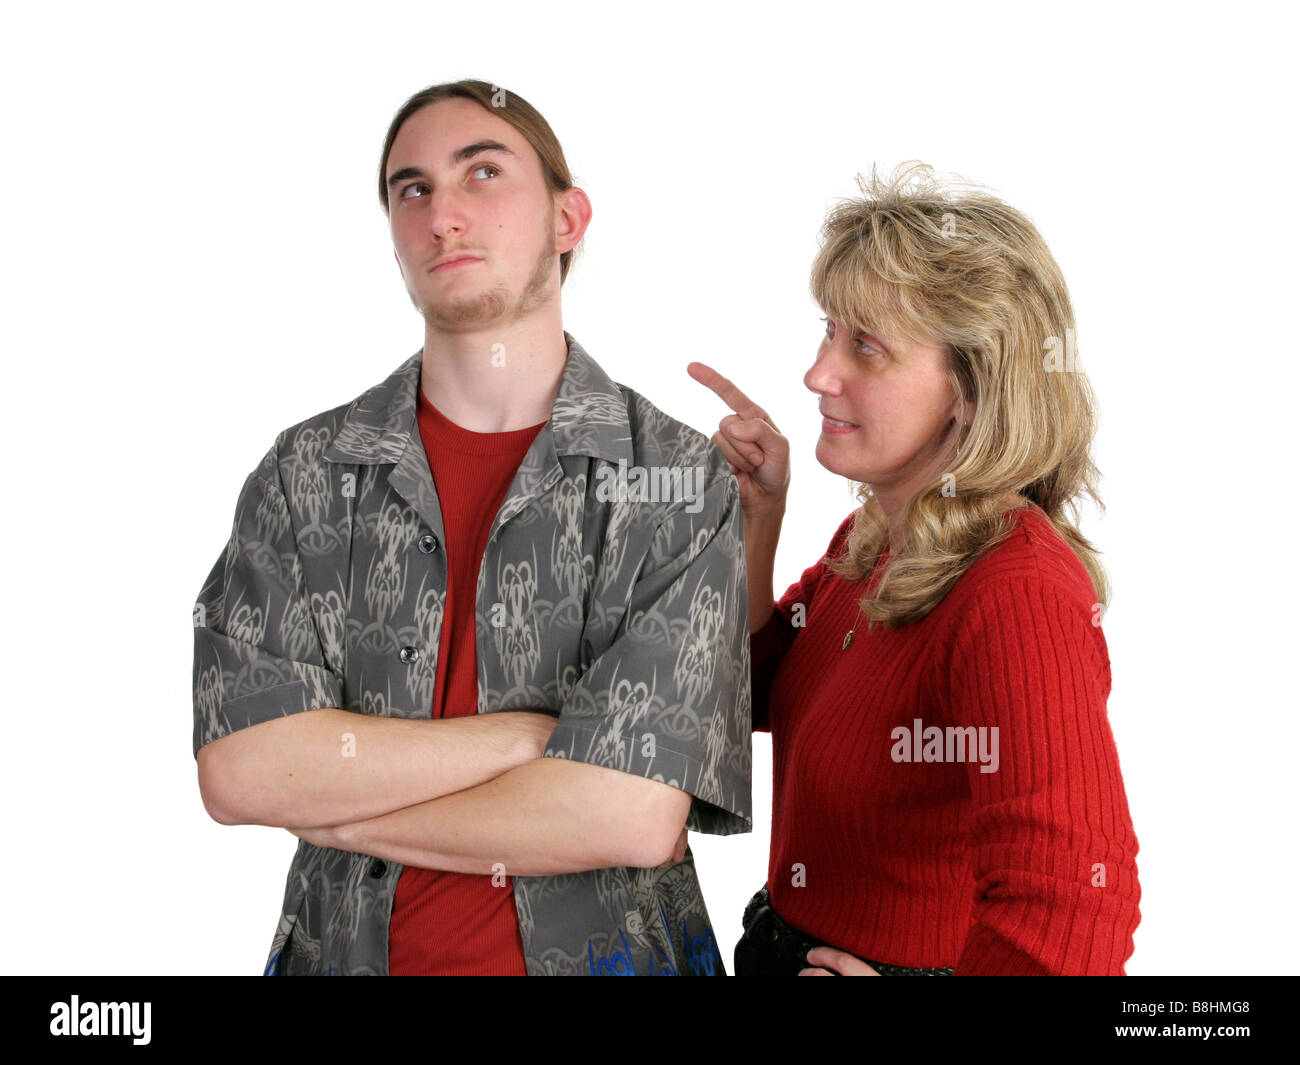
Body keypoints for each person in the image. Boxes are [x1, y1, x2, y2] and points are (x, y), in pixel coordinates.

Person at [192, 79, 751, 976]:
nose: (443, 214)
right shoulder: (305, 475)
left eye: (482, 174)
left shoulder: (675, 481)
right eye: (411, 189)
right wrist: (527, 738)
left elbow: (630, 812)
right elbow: (243, 769)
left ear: (567, 219)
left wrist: (337, 809)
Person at [690, 162, 1140, 975]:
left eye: (865, 345)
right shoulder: (874, 539)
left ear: (969, 390)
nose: (818, 373)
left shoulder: (1018, 591)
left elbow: (1076, 911)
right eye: (829, 331)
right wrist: (759, 520)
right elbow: (750, 697)